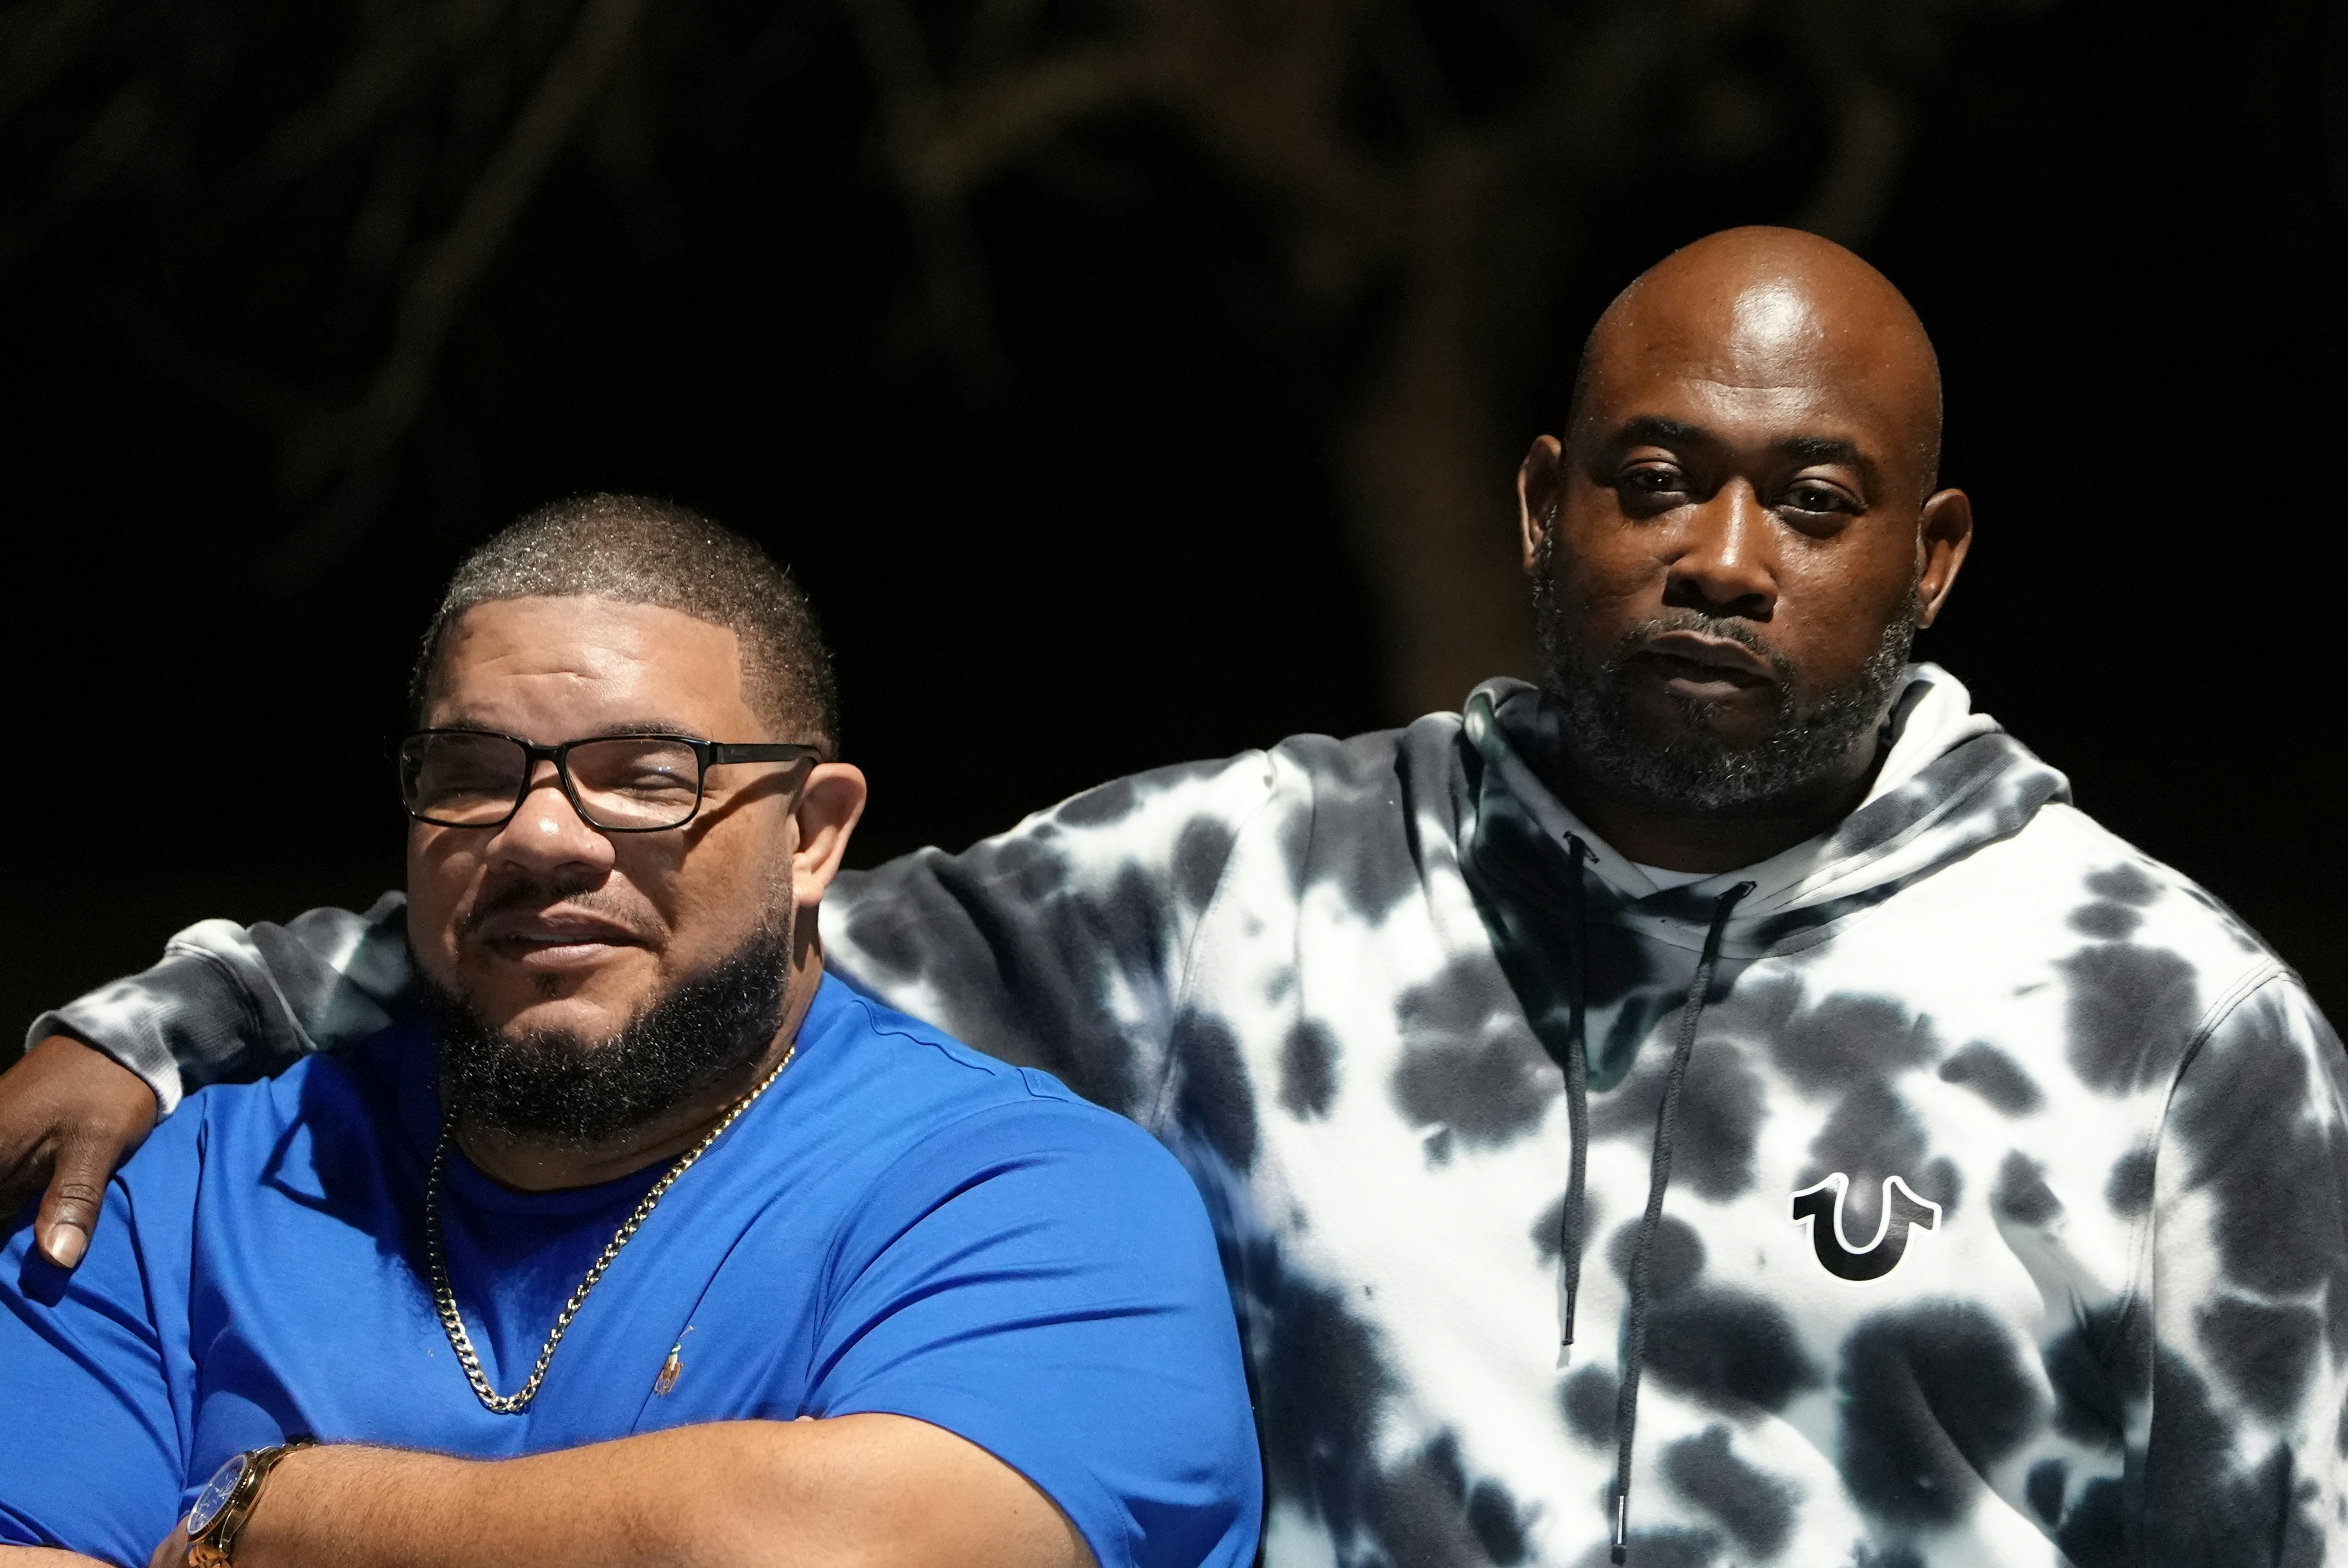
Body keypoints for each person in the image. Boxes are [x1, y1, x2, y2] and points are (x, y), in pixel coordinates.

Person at [7, 228, 2344, 1566]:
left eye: (1809, 500)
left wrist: (280, 1528)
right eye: (1655, 480)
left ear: (1924, 553)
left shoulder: (2166, 1020)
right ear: (1545, 508)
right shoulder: (1255, 884)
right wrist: (172, 1016)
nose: (1720, 560)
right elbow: (656, 909)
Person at [0, 499, 1260, 1568]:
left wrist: (271, 1514)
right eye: (474, 772)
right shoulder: (186, 1188)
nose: (540, 836)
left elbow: (850, 1546)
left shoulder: (1023, 1193)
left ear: (811, 834)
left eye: (649, 775)